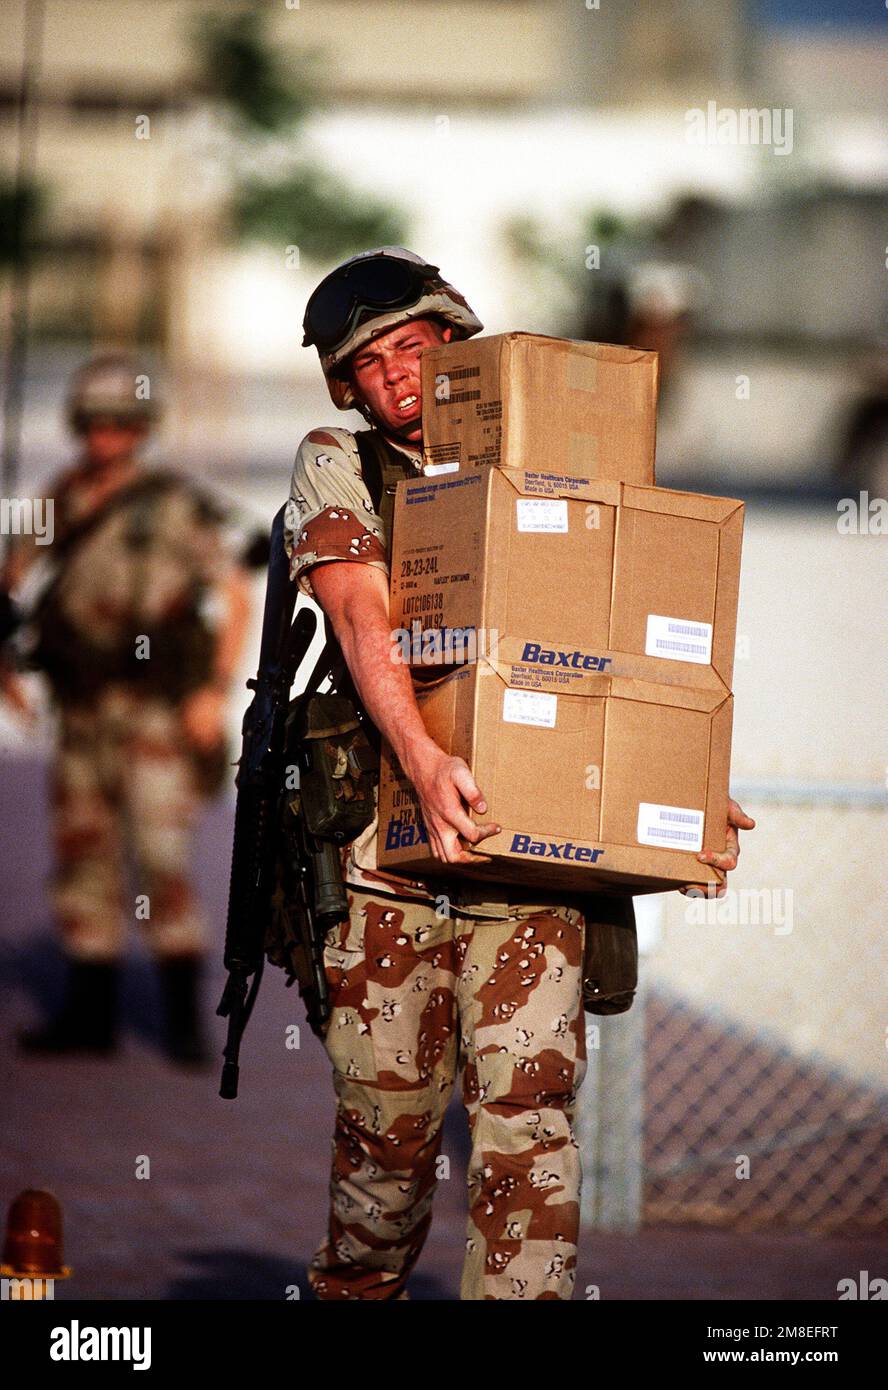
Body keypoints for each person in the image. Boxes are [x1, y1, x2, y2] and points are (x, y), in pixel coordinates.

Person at [284, 248, 754, 1300]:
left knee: (529, 1123)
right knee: (387, 1149)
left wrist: (677, 794)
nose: (396, 376)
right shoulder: (339, 461)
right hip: (387, 866)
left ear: (458, 346)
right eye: (368, 364)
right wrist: (424, 754)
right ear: (343, 387)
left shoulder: (557, 461)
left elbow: (620, 639)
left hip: (528, 863)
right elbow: (364, 615)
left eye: (412, 347)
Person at [4, 354, 251, 1065]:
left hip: (153, 711)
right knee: (82, 856)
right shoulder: (61, 496)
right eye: (96, 424)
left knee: (163, 856)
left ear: (142, 429)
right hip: (83, 708)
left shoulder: (174, 501)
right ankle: (89, 1016)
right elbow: (14, 573)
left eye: (122, 424)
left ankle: (181, 1022)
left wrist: (212, 691)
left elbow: (234, 590)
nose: (107, 437)